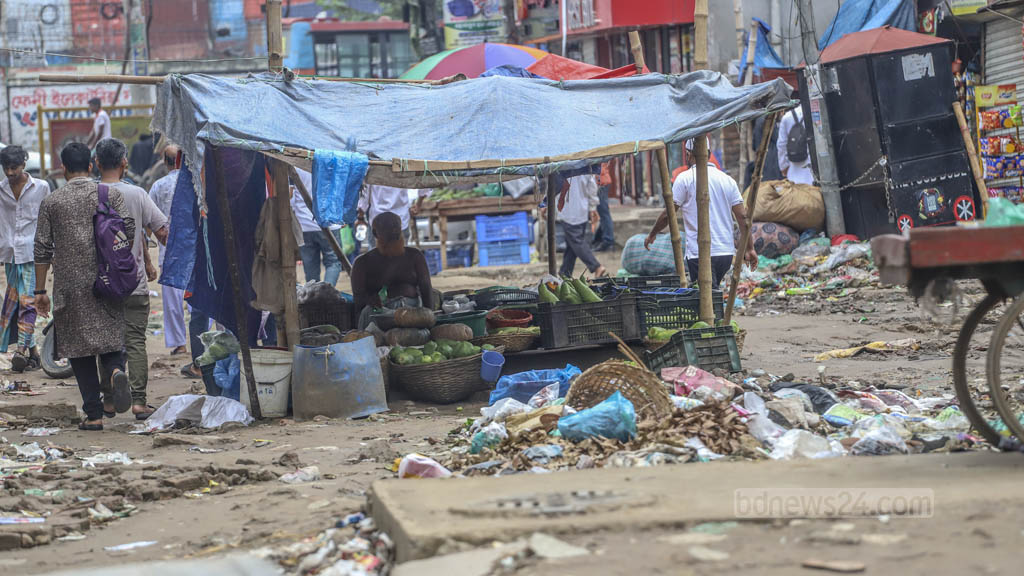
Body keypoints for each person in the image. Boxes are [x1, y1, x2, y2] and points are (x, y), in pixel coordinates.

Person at [34, 142, 134, 431]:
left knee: (79, 350)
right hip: (108, 280)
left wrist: (40, 292)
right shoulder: (110, 193)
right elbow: (126, 229)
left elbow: (41, 249)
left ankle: (94, 415)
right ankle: (115, 370)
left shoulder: (52, 202)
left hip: (70, 285)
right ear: (91, 166)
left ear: (64, 169)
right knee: (111, 338)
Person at [96, 138, 168, 421]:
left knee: (107, 342)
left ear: (97, 164)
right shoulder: (137, 194)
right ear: (124, 162)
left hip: (102, 285)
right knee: (136, 341)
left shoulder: (93, 193)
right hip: (134, 282)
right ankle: (139, 402)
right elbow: (162, 230)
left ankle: (110, 401)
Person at [646, 137, 756, 287]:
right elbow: (743, 217)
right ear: (709, 153)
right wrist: (750, 248)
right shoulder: (727, 180)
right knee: (712, 295)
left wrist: (653, 233)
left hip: (700, 254)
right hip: (725, 252)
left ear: (688, 154)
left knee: (707, 300)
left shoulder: (684, 179)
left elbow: (668, 215)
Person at [0, 146, 51, 372]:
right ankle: (34, 353)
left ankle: (21, 349)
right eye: (6, 168)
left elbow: (49, 221)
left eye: (14, 167)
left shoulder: (41, 187)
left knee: (28, 302)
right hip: (10, 255)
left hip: (33, 254)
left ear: (24, 164)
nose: (10, 173)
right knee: (17, 302)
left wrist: (53, 252)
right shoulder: (0, 190)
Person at [351, 212, 433, 329]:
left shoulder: (415, 256)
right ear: (375, 233)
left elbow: (426, 289)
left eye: (396, 228)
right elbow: (358, 300)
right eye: (388, 228)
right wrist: (370, 300)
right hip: (379, 317)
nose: (394, 231)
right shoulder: (362, 263)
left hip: (413, 314)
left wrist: (430, 319)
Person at [148, 144, 188, 356]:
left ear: (165, 162)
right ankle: (205, 340)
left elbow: (150, 219)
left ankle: (180, 344)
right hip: (193, 248)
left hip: (169, 249)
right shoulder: (193, 183)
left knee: (173, 301)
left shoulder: (158, 186)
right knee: (195, 298)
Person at [292, 168, 343, 285]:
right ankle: (326, 293)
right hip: (330, 222)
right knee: (333, 263)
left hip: (305, 224)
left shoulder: (295, 166)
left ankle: (314, 297)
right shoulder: (333, 162)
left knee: (310, 266)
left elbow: (292, 200)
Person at [555, 174, 606, 278]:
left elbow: (555, 187)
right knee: (572, 244)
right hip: (582, 209)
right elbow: (592, 187)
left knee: (576, 241)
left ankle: (596, 266)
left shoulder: (561, 167)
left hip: (568, 210)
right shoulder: (584, 165)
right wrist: (592, 207)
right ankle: (565, 273)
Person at [358, 185, 431, 247]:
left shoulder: (371, 168)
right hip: (401, 220)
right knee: (400, 259)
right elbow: (423, 180)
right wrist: (419, 203)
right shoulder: (405, 167)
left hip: (377, 219)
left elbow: (365, 192)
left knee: (376, 260)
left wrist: (360, 217)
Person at [777, 106, 814, 186]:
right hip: (814, 174)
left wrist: (784, 167)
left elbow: (781, 145)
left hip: (794, 173)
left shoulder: (787, 117)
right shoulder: (817, 113)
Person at [592, 161, 615, 253]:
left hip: (600, 183)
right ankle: (600, 238)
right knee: (603, 213)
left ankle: (608, 241)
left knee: (603, 213)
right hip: (602, 181)